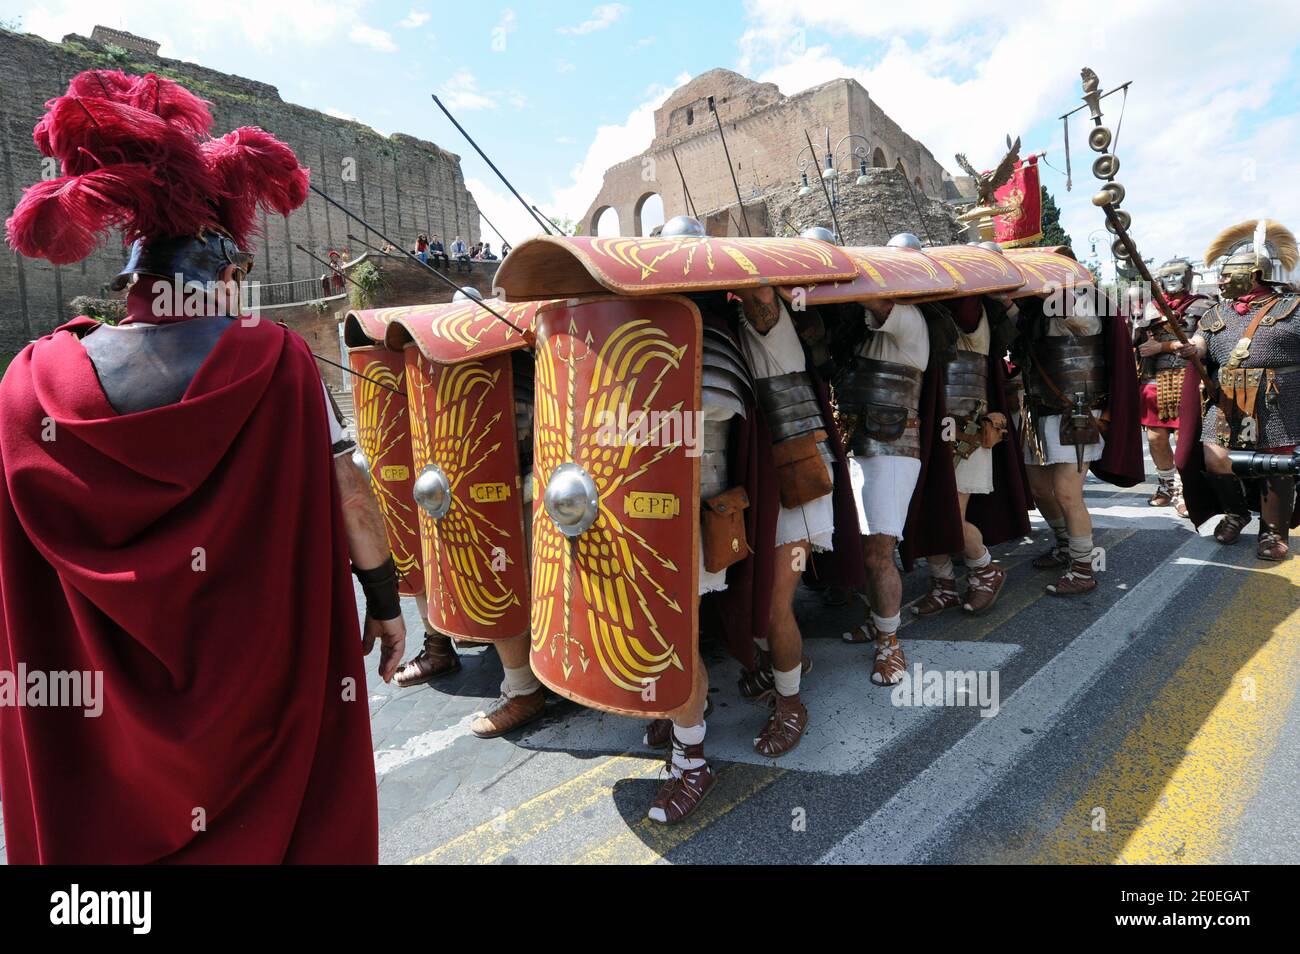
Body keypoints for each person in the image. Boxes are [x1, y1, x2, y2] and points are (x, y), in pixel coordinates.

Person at [0, 69, 403, 863]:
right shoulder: (278, 366)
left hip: (99, 735)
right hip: (259, 704)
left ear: (134, 279)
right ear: (224, 276)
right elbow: (349, 493)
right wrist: (386, 601)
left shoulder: (28, 387)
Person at [1175, 219, 1300, 560]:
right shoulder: (1217, 312)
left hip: (1278, 400)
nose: (1222, 280)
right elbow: (1201, 343)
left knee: (1275, 465)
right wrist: (1192, 349)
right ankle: (1236, 513)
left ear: (1255, 274)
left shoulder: (1293, 308)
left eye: (1229, 274)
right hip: (1227, 399)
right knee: (1216, 459)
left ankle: (1273, 532)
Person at [902, 293, 1031, 620]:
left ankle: (985, 570)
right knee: (930, 510)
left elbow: (963, 307)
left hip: (967, 433)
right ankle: (943, 585)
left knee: (949, 516)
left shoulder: (970, 309)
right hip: (935, 431)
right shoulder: (935, 312)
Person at [1012, 286, 1143, 594]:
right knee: (1040, 489)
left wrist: (1050, 293)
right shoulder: (1033, 313)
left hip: (1078, 412)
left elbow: (1078, 321)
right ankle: (1064, 544)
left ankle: (1084, 568)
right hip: (1039, 411)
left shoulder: (1085, 304)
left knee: (1068, 493)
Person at [1133, 260, 1210, 514]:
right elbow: (1134, 341)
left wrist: (1165, 346)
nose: (1173, 279)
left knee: (1184, 437)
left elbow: (1204, 341)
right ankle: (1166, 485)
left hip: (1188, 376)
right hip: (1155, 377)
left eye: (1179, 274)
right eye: (1168, 275)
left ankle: (1184, 488)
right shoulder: (1149, 308)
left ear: (1188, 277)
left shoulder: (1203, 304)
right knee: (1155, 437)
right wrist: (1136, 323)